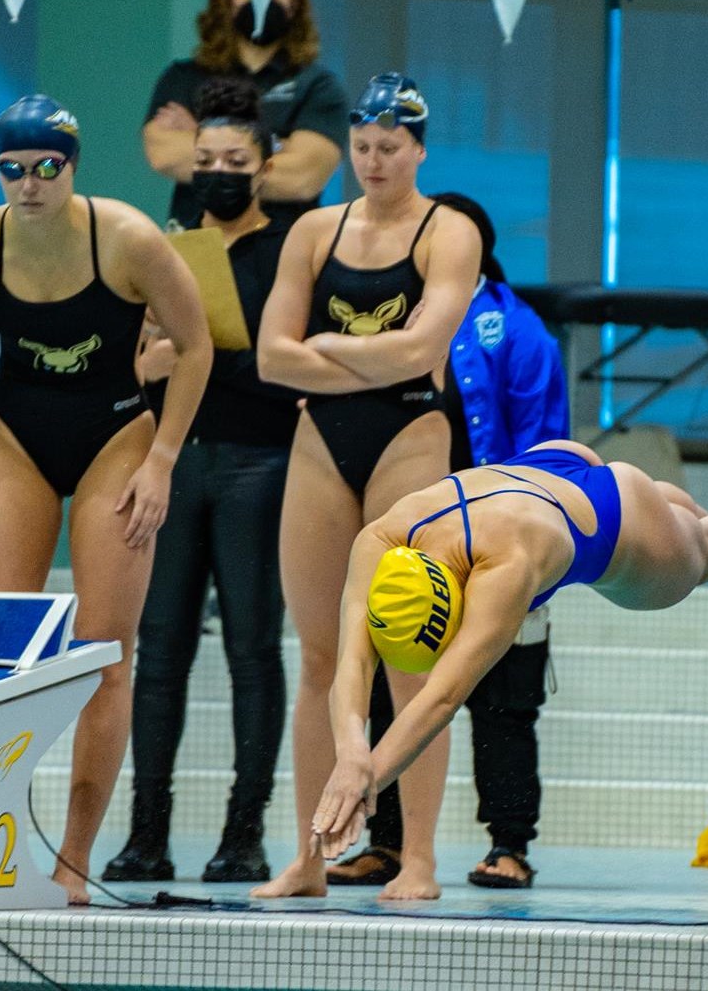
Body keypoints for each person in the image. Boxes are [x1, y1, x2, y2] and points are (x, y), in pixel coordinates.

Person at [0, 94, 211, 904]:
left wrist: (162, 461)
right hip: (16, 437)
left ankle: (75, 859)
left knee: (105, 654)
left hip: (116, 436)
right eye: (13, 168)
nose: (30, 183)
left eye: (47, 167)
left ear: (72, 167)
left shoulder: (128, 239)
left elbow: (196, 344)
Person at [310, 442, 708, 867]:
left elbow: (442, 697)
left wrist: (368, 781)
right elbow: (352, 662)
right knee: (675, 520)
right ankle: (690, 517)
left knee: (706, 550)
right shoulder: (383, 536)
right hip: (553, 466)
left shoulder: (507, 563)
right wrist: (351, 753)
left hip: (615, 522)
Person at [251, 73, 481, 901]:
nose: (374, 161)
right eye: (362, 147)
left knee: (408, 656)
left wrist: (324, 348)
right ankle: (310, 861)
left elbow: (424, 355)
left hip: (412, 435)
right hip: (322, 443)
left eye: (390, 147)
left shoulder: (446, 231)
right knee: (317, 657)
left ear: (419, 148)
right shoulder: (314, 230)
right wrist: (362, 356)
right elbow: (270, 358)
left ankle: (415, 858)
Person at [327, 192, 569, 891]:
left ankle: (509, 843)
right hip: (422, 539)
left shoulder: (520, 335)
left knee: (504, 702)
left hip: (498, 542)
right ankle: (388, 839)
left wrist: (532, 562)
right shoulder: (402, 323)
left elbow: (547, 451)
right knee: (389, 689)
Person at [104, 79, 297, 885]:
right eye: (205, 159)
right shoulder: (166, 247)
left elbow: (285, 371)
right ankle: (147, 829)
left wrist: (202, 358)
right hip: (176, 462)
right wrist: (168, 358)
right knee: (160, 651)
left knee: (253, 647)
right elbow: (140, 360)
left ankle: (243, 830)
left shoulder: (291, 248)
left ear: (264, 165)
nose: (217, 172)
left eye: (234, 160)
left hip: (261, 463)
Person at [144, 0, 348, 225]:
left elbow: (302, 178)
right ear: (227, 2)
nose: (262, 0)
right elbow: (164, 155)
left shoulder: (318, 85)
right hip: (195, 241)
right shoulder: (183, 77)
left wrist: (201, 139)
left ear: (293, 4)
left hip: (282, 249)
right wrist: (277, 145)